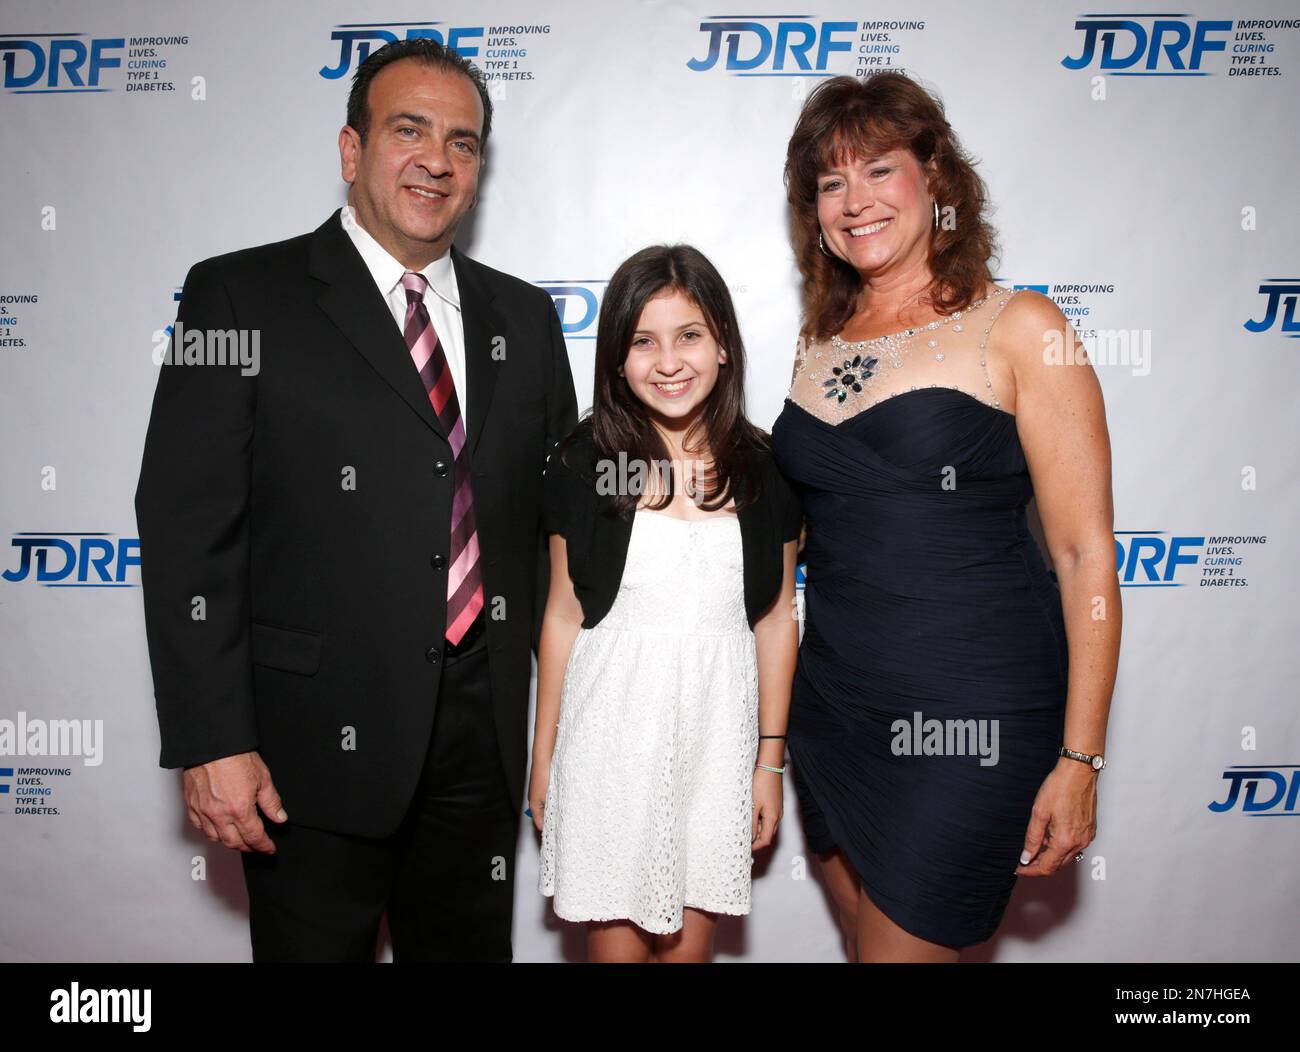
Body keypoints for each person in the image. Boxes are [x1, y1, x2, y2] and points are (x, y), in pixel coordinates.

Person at [134, 38, 578, 961]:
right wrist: (213, 738)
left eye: (462, 142)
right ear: (350, 149)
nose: (437, 159)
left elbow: (561, 525)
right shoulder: (236, 298)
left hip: (480, 745)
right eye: (408, 129)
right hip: (303, 756)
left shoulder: (525, 321)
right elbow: (185, 529)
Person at [770, 73, 1121, 962]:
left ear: (937, 178)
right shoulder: (817, 345)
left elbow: (1084, 556)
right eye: (830, 183)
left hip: (973, 713)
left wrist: (1080, 762)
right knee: (862, 944)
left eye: (879, 170)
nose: (856, 203)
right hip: (834, 708)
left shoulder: (1022, 326)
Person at [530, 245, 802, 963]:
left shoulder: (767, 468)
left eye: (688, 335)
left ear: (722, 344)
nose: (669, 360)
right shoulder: (582, 462)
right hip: (607, 744)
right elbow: (562, 614)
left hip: (716, 747)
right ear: (617, 359)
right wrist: (544, 755)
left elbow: (775, 620)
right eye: (643, 341)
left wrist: (767, 765)